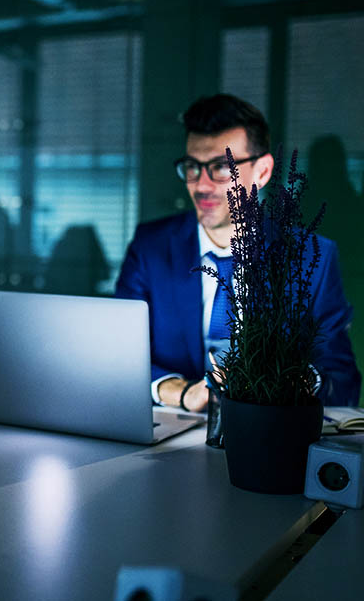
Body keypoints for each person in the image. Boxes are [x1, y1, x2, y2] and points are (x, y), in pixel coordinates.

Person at [115, 94, 360, 411]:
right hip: (167, 439)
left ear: (262, 171)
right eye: (192, 167)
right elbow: (119, 356)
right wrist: (181, 391)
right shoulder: (150, 247)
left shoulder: (313, 256)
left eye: (220, 167)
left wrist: (287, 384)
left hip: (271, 440)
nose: (201, 185)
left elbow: (341, 380)